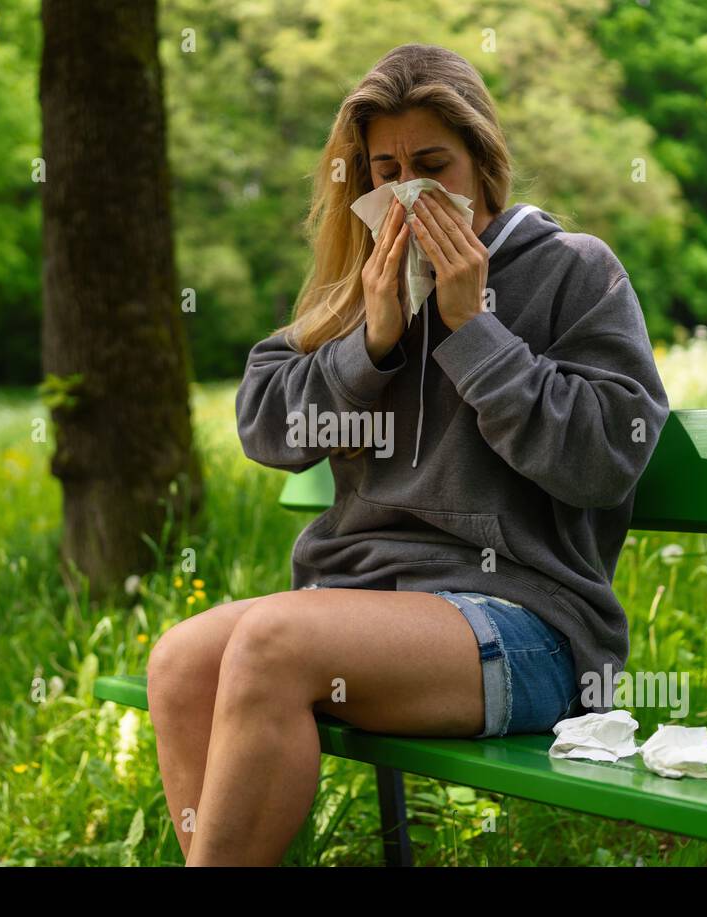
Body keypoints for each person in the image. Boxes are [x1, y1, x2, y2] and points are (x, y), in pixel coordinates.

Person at [147, 43, 670, 866]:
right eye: (385, 169)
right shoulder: (365, 286)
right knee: (181, 662)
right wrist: (371, 343)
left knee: (274, 643)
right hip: (364, 609)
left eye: (433, 164)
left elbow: (607, 458)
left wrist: (476, 334)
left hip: (529, 627)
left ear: (485, 166)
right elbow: (265, 426)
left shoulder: (573, 270)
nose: (409, 190)